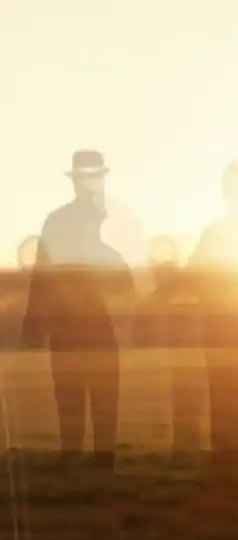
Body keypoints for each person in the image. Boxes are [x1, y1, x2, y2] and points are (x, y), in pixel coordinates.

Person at [23, 150, 133, 472]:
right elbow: (43, 274)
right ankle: (89, 457)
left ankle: (89, 457)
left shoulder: (100, 220)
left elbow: (124, 279)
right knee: (80, 392)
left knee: (88, 392)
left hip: (85, 322)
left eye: (93, 177)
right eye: (87, 177)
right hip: (78, 322)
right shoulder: (77, 221)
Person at [188, 160, 238, 494]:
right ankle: (227, 469)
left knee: (230, 398)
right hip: (227, 327)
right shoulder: (223, 232)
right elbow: (194, 276)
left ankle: (229, 470)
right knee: (226, 399)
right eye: (235, 188)